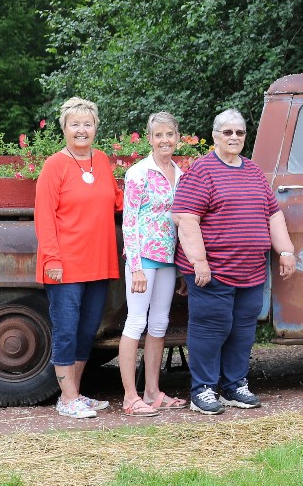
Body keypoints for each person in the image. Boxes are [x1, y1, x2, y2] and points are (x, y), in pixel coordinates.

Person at [172, 109, 297, 415]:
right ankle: (202, 390)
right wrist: (199, 261)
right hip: (212, 272)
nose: (234, 138)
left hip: (251, 271)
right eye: (227, 132)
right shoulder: (201, 170)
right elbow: (185, 217)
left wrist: (287, 251)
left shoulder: (254, 171)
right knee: (210, 330)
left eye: (239, 133)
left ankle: (233, 387)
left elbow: (273, 214)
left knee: (242, 331)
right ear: (215, 136)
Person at [34, 97, 122, 419]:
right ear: (65, 128)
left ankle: (76, 394)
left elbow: (116, 200)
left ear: (96, 127)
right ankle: (67, 398)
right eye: (75, 124)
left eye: (87, 124)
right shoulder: (54, 165)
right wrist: (52, 260)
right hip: (66, 265)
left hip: (98, 262)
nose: (81, 130)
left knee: (88, 331)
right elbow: (44, 217)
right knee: (67, 329)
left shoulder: (101, 162)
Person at [117, 111, 188, 417]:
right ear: (149, 139)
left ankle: (152, 392)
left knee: (159, 324)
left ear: (178, 138)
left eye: (169, 134)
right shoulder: (138, 173)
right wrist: (135, 267)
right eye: (158, 135)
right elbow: (129, 222)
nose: (164, 140)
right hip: (143, 259)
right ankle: (130, 397)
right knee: (136, 322)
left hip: (168, 260)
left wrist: (183, 266)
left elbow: (183, 222)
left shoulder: (180, 173)